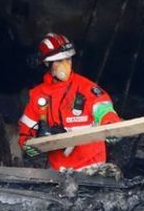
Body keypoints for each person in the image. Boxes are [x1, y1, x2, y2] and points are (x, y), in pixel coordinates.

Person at [18, 33, 121, 170]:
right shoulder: (38, 95)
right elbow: (26, 135)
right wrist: (32, 146)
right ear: (47, 63)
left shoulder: (86, 88)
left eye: (68, 60)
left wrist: (111, 126)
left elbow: (103, 108)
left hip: (91, 166)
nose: (65, 65)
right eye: (59, 61)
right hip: (59, 170)